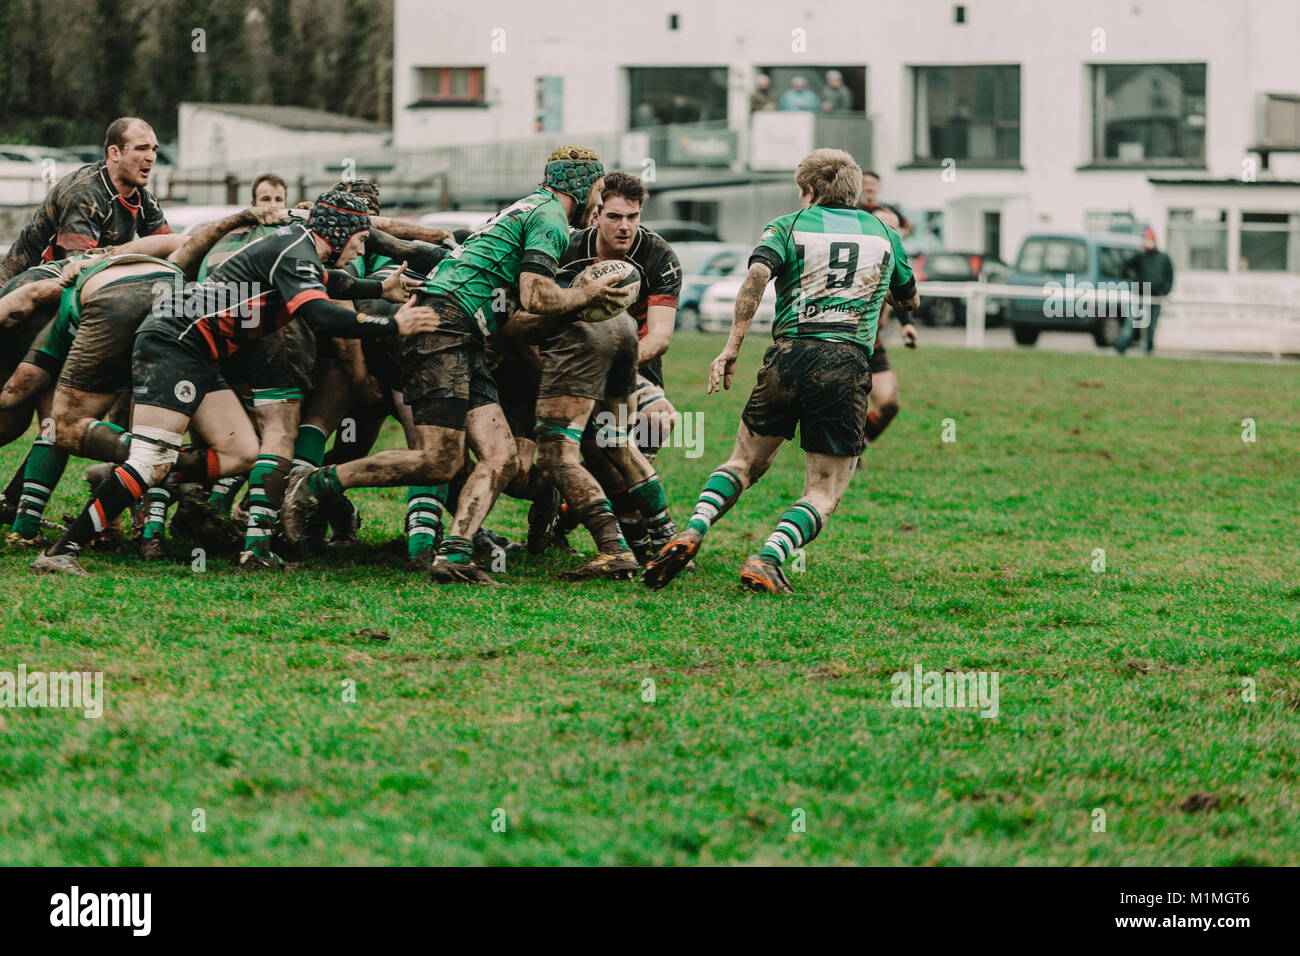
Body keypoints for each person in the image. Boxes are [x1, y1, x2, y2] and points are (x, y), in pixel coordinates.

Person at [31, 189, 438, 576]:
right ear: (340, 232)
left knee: (241, 453)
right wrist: (392, 323)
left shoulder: (299, 248)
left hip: (197, 350)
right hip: (173, 343)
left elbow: (330, 282)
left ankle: (129, 481)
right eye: (362, 239)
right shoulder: (296, 254)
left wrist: (380, 288)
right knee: (151, 458)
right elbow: (323, 315)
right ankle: (63, 550)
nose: (362, 250)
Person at [279, 146, 628, 585]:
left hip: (464, 333)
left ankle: (455, 554)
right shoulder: (551, 218)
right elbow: (538, 295)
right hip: (444, 325)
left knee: (500, 458)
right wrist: (587, 296)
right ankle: (314, 485)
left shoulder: (529, 208)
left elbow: (510, 302)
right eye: (598, 192)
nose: (599, 205)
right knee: (436, 460)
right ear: (579, 185)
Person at [642, 148, 919, 594]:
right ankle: (768, 556)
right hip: (844, 362)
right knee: (824, 489)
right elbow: (908, 299)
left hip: (786, 356)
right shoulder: (885, 231)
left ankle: (694, 528)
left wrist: (731, 347)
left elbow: (755, 277)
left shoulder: (788, 225)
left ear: (808, 190)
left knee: (744, 462)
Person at [0, 117, 170, 284]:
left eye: (154, 149)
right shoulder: (84, 193)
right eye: (141, 149)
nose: (151, 157)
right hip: (28, 283)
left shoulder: (144, 200)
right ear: (115, 153)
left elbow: (169, 246)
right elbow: (77, 265)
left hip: (84, 281)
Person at [860, 208, 918, 449]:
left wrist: (907, 326)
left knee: (889, 405)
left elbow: (904, 295)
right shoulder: (856, 257)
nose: (890, 232)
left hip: (873, 344)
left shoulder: (894, 260)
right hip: (845, 343)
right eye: (884, 225)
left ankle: (858, 444)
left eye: (895, 228)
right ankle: (846, 450)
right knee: (847, 407)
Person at [1116, 228, 1174, 356]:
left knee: (1151, 325)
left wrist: (1165, 290)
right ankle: (1121, 348)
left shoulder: (1163, 258)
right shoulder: (1140, 256)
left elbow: (1169, 276)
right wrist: (1138, 254)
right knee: (1130, 323)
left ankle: (1148, 350)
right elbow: (1125, 266)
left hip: (1155, 297)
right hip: (1139, 295)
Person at [858, 170, 912, 238]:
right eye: (865, 183)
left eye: (873, 184)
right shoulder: (853, 210)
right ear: (859, 186)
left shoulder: (889, 210)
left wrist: (898, 238)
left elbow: (909, 226)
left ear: (879, 187)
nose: (869, 187)